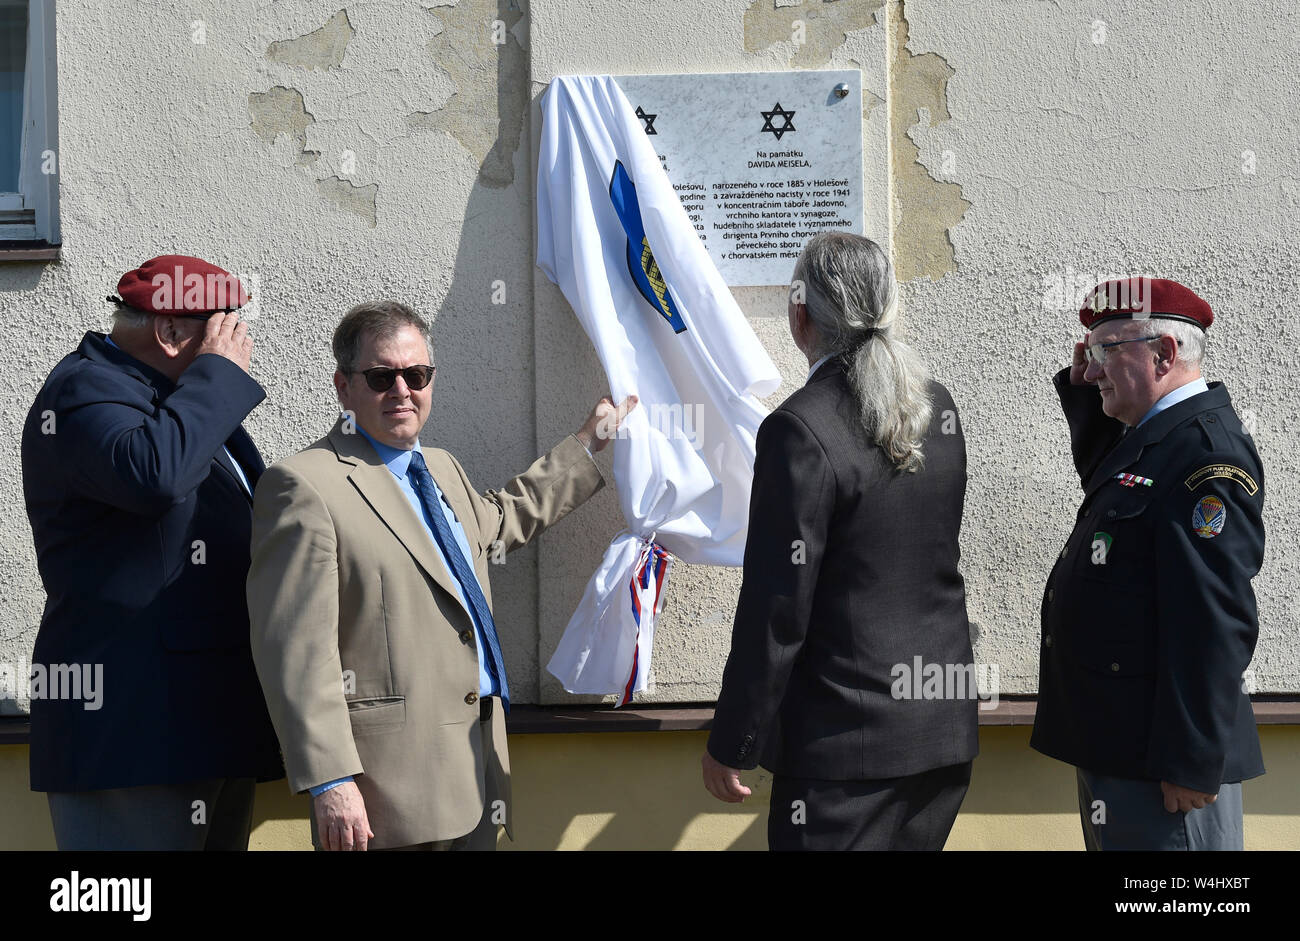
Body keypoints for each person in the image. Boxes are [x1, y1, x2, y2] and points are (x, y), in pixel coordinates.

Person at [247, 300, 635, 851]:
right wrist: (330, 781)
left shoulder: (442, 467)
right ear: (344, 386)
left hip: (476, 768)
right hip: (386, 792)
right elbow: (293, 649)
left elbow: (500, 523)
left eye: (417, 375)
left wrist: (589, 442)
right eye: (382, 376)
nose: (402, 390)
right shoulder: (304, 485)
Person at [701, 231, 979, 850]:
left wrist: (734, 740)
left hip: (844, 752)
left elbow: (778, 607)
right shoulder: (937, 407)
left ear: (800, 314)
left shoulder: (799, 427)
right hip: (939, 732)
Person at [20, 254, 283, 850]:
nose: (237, 342)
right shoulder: (84, 392)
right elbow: (153, 476)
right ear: (169, 332)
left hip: (199, 726)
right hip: (133, 735)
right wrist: (216, 375)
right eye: (223, 325)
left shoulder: (169, 398)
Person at [1032, 277, 1265, 851]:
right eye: (1086, 355)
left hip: (1165, 763)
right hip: (1122, 745)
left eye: (1103, 352)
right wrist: (1093, 376)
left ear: (1163, 354)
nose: (1089, 371)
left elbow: (1213, 618)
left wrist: (1191, 759)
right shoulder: (1154, 439)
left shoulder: (1205, 456)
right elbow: (1108, 475)